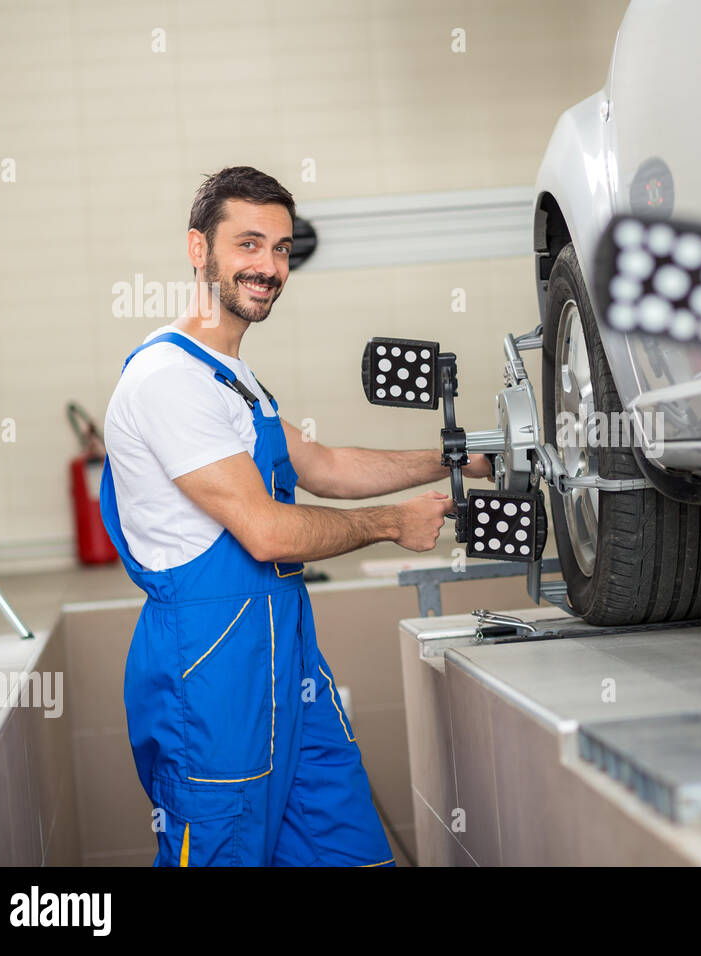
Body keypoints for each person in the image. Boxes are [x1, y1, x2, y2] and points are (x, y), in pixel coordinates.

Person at [100, 166, 491, 866]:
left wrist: (455, 459)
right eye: (249, 244)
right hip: (210, 676)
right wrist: (391, 524)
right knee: (220, 848)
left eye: (281, 249)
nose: (270, 266)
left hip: (287, 666)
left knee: (343, 845)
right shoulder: (169, 379)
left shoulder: (234, 377)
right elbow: (269, 531)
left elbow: (327, 466)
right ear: (199, 249)